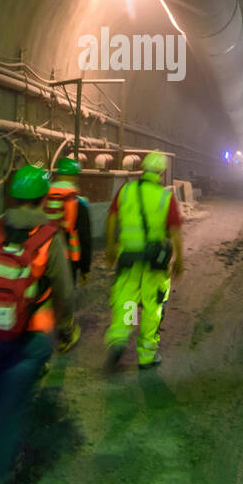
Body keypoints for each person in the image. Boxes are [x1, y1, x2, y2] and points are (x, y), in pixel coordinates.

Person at [0, 164, 79, 484]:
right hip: (31, 338)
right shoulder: (48, 235)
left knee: (6, 392)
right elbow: (64, 292)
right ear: (43, 198)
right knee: (11, 409)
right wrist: (66, 327)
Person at [103, 150, 184, 371]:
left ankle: (120, 336)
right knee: (152, 305)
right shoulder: (165, 197)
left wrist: (111, 248)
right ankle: (147, 355)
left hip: (128, 258)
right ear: (162, 172)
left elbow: (111, 218)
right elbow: (175, 230)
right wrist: (179, 259)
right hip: (154, 263)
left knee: (127, 300)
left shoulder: (126, 190)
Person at [43, 156, 93, 290]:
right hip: (68, 259)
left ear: (58, 175)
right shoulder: (78, 202)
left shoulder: (43, 195)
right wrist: (85, 268)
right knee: (64, 297)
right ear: (75, 176)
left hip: (42, 255)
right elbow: (84, 237)